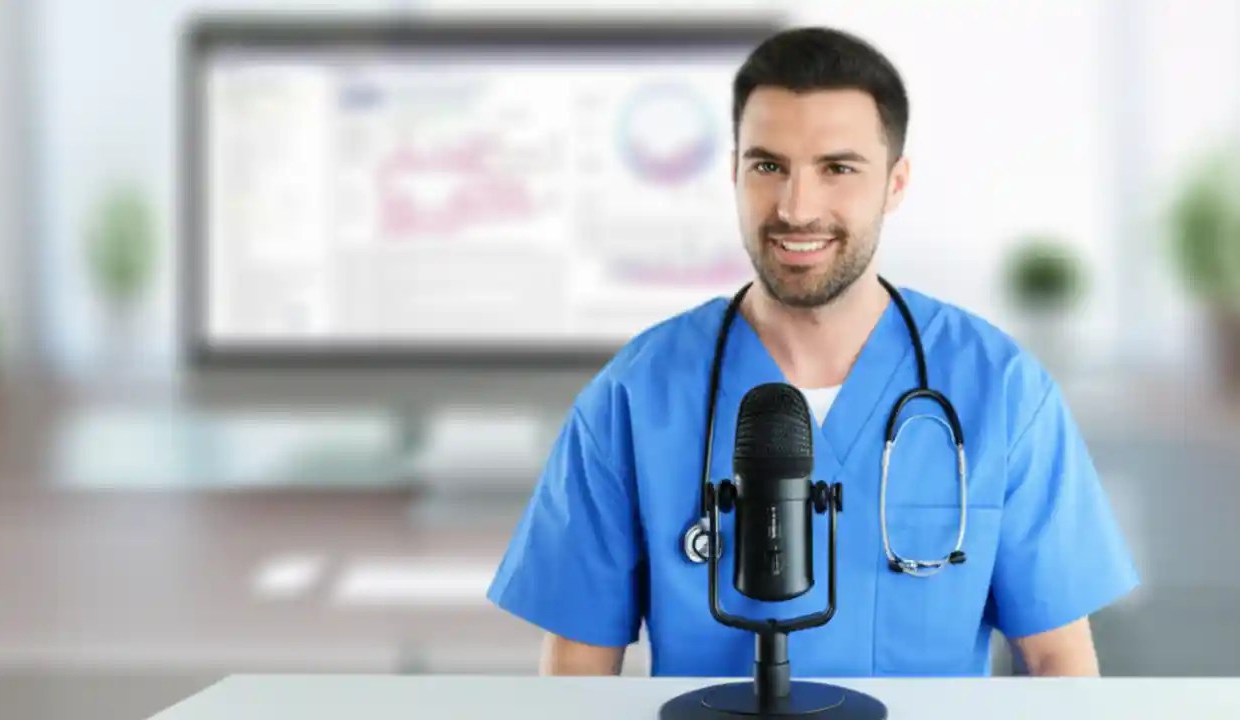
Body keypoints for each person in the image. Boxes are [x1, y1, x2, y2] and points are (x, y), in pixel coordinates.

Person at [486, 26, 1139, 678]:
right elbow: (576, 676)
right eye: (768, 167)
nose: (797, 208)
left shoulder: (1001, 390)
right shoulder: (633, 398)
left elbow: (1056, 659)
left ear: (895, 183)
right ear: (734, 173)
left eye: (837, 169)